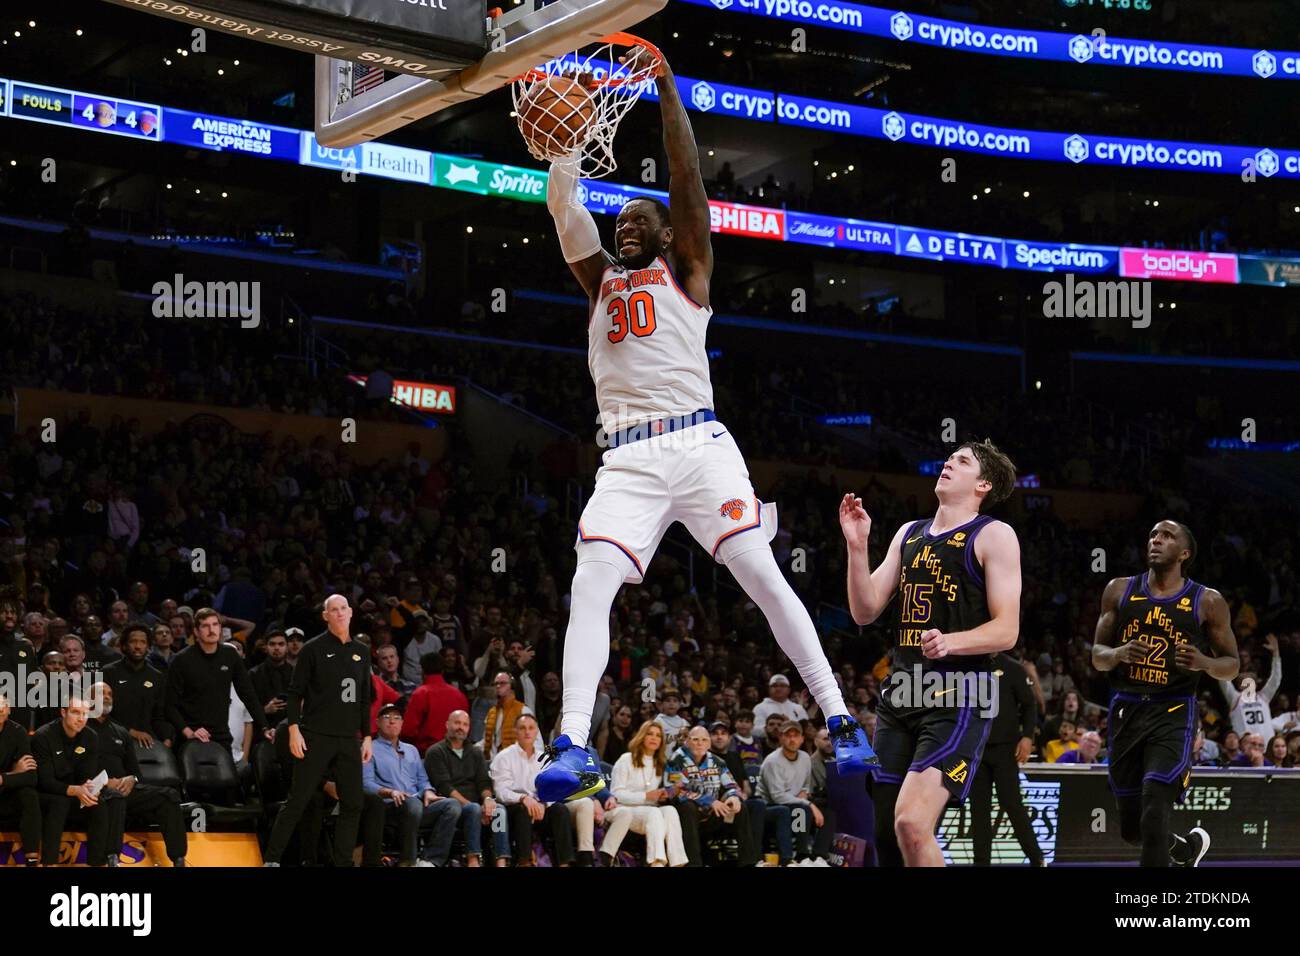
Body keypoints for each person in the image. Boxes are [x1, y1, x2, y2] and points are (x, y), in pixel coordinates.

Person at [534, 49, 875, 801]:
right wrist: (563, 149)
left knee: (759, 571)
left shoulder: (686, 268)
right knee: (591, 585)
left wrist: (665, 94)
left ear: (664, 235)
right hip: (624, 461)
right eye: (620, 219)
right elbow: (565, 213)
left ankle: (841, 721)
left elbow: (686, 181)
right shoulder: (600, 283)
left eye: (638, 220)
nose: (626, 226)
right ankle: (571, 744)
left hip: (698, 445)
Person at [841, 440, 1023, 867]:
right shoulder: (909, 532)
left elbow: (1007, 629)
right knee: (885, 835)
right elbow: (865, 610)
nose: (949, 462)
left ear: (983, 484)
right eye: (949, 457)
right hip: (901, 694)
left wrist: (952, 641)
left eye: (962, 461)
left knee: (912, 824)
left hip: (957, 696)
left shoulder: (994, 534)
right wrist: (856, 545)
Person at [1092, 519, 1239, 867]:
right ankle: (1184, 851)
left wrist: (1204, 662)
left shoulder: (1208, 601)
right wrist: (1117, 653)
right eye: (1153, 534)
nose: (1156, 540)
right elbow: (1097, 656)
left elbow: (1231, 664)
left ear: (1184, 553)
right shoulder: (1119, 589)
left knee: (1155, 806)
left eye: (1167, 536)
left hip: (1172, 711)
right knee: (1133, 829)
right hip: (1126, 710)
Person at [262, 594, 374, 867]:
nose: (339, 613)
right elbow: (294, 694)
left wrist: (368, 735)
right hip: (316, 735)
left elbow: (364, 698)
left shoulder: (362, 651)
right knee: (297, 800)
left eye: (343, 609)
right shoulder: (312, 649)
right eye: (333, 610)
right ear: (325, 616)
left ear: (350, 613)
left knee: (353, 804)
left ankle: (343, 862)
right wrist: (294, 730)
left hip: (349, 738)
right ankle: (272, 860)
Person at [87, 682, 188, 866]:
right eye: (102, 693)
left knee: (168, 795)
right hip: (93, 790)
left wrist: (131, 780)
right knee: (115, 797)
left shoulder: (120, 731)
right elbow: (76, 768)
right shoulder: (81, 728)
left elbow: (135, 772)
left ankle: (178, 859)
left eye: (110, 693)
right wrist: (105, 782)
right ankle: (112, 858)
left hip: (122, 790)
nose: (108, 696)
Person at [970, 649, 1043, 867]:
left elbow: (1030, 705)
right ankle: (981, 863)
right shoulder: (967, 667)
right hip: (975, 750)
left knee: (1011, 802)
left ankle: (1036, 858)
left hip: (1005, 749)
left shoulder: (1013, 668)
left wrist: (1027, 737)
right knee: (978, 808)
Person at [363, 703, 459, 866]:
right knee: (413, 805)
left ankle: (430, 860)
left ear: (402, 723)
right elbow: (366, 783)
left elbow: (422, 780)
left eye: (397, 718)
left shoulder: (412, 750)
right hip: (389, 809)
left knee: (452, 806)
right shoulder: (369, 748)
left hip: (417, 806)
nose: (392, 721)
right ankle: (408, 861)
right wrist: (390, 792)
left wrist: (428, 792)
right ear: (377, 722)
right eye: (387, 717)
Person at [164, 608, 267, 757]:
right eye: (205, 626)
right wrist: (188, 731)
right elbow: (169, 704)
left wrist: (264, 727)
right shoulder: (182, 659)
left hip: (221, 736)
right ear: (196, 631)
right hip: (191, 737)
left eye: (215, 625)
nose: (211, 630)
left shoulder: (230, 655)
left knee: (228, 779)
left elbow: (248, 694)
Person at [32, 697, 122, 867]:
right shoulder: (43, 736)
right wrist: (75, 790)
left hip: (75, 793)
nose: (81, 719)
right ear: (63, 712)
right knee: (59, 803)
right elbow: (44, 781)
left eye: (85, 714)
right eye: (75, 712)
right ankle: (49, 863)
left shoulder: (90, 737)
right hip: (47, 794)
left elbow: (86, 774)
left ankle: (96, 863)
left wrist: (88, 787)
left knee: (98, 804)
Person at [491, 713, 579, 866]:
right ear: (515, 732)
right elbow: (501, 792)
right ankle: (524, 861)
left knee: (560, 810)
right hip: (514, 809)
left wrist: (544, 805)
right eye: (522, 728)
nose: (527, 732)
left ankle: (565, 863)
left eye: (531, 728)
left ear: (536, 732)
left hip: (540, 809)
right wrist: (524, 798)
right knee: (523, 810)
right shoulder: (504, 757)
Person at [424, 710, 510, 866]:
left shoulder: (475, 752)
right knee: (473, 809)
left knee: (499, 811)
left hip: (477, 805)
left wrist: (488, 801)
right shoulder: (435, 752)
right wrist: (474, 806)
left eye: (465, 724)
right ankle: (473, 860)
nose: (460, 727)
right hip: (451, 807)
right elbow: (444, 786)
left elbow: (483, 782)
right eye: (457, 723)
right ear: (447, 725)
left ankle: (501, 860)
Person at [666, 725, 759, 866]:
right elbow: (673, 791)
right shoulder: (676, 760)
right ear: (687, 742)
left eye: (704, 740)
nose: (699, 743)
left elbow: (732, 786)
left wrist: (733, 796)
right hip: (686, 820)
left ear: (709, 743)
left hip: (712, 816)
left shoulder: (717, 762)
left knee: (739, 808)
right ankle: (694, 863)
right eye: (695, 739)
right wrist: (709, 801)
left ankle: (749, 862)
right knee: (687, 807)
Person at [600, 721, 688, 867]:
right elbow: (616, 794)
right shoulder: (626, 759)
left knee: (670, 811)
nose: (654, 738)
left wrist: (662, 795)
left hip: (647, 811)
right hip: (623, 809)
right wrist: (646, 796)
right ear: (642, 736)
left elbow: (656, 796)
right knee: (654, 813)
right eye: (650, 734)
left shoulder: (660, 764)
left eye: (658, 736)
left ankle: (677, 862)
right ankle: (656, 862)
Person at [757, 721, 822, 866]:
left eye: (796, 736)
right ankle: (789, 858)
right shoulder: (772, 761)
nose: (792, 739)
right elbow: (777, 796)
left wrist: (805, 792)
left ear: (802, 739)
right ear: (781, 738)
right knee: (798, 810)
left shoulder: (805, 758)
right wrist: (808, 803)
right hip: (768, 806)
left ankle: (817, 856)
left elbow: (807, 784)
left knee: (826, 810)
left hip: (793, 803)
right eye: (788, 736)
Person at [102, 623, 173, 749]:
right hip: (113, 740)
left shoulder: (157, 676)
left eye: (142, 642)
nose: (138, 646)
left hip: (147, 741)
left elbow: (159, 715)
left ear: (148, 647)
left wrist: (166, 738)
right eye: (133, 642)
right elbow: (101, 713)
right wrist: (131, 732)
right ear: (124, 646)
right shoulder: (107, 672)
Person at [0, 694, 41, 865]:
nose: (0, 709)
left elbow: (31, 776)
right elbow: (20, 774)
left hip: (7, 794)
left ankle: (32, 858)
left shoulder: (18, 732)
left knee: (29, 794)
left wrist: (3, 779)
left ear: (9, 709)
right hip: (7, 784)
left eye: (4, 705)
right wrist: (13, 773)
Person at [403, 653, 470, 754]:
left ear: (423, 671)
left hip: (427, 753)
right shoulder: (459, 694)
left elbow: (409, 730)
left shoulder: (421, 693)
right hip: (457, 753)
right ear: (442, 670)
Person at [1219, 633, 1282, 737]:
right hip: (1246, 746)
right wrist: (1221, 654)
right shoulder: (1235, 698)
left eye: (1252, 680)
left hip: (1266, 745)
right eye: (1245, 681)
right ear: (1239, 686)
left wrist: (1276, 654)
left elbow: (1276, 679)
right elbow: (1223, 680)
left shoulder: (1264, 697)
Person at [249, 625, 294, 720]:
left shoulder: (296, 673)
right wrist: (264, 710)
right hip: (263, 727)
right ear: (265, 647)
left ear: (287, 648)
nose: (276, 648)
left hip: (290, 726)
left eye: (281, 644)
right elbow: (246, 707)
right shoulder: (254, 674)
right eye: (272, 644)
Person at [482, 671, 527, 761]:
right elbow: (486, 740)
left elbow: (535, 742)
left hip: (515, 763)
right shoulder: (491, 713)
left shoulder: (523, 710)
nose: (498, 686)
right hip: (493, 763)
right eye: (496, 684)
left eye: (502, 683)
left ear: (512, 686)